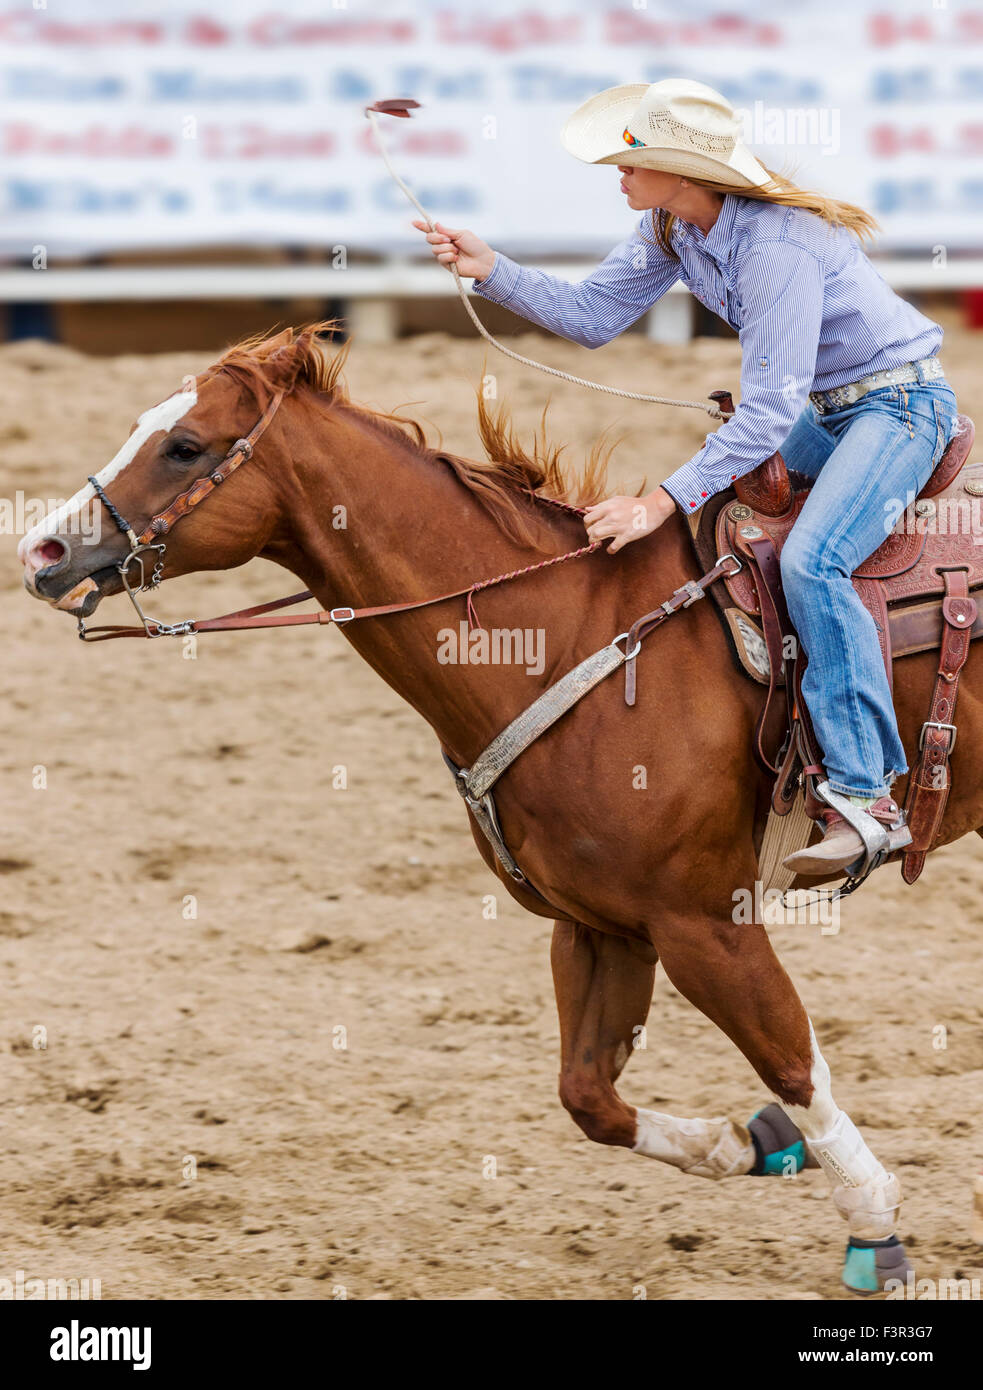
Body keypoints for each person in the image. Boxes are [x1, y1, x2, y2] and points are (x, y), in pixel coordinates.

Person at [414, 78, 959, 876]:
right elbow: (593, 317)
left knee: (813, 560)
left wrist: (657, 501)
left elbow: (769, 411)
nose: (618, 174)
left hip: (899, 409)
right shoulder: (671, 227)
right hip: (833, 411)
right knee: (721, 531)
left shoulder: (773, 246)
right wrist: (491, 268)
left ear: (683, 172)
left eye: (632, 162)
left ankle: (865, 795)